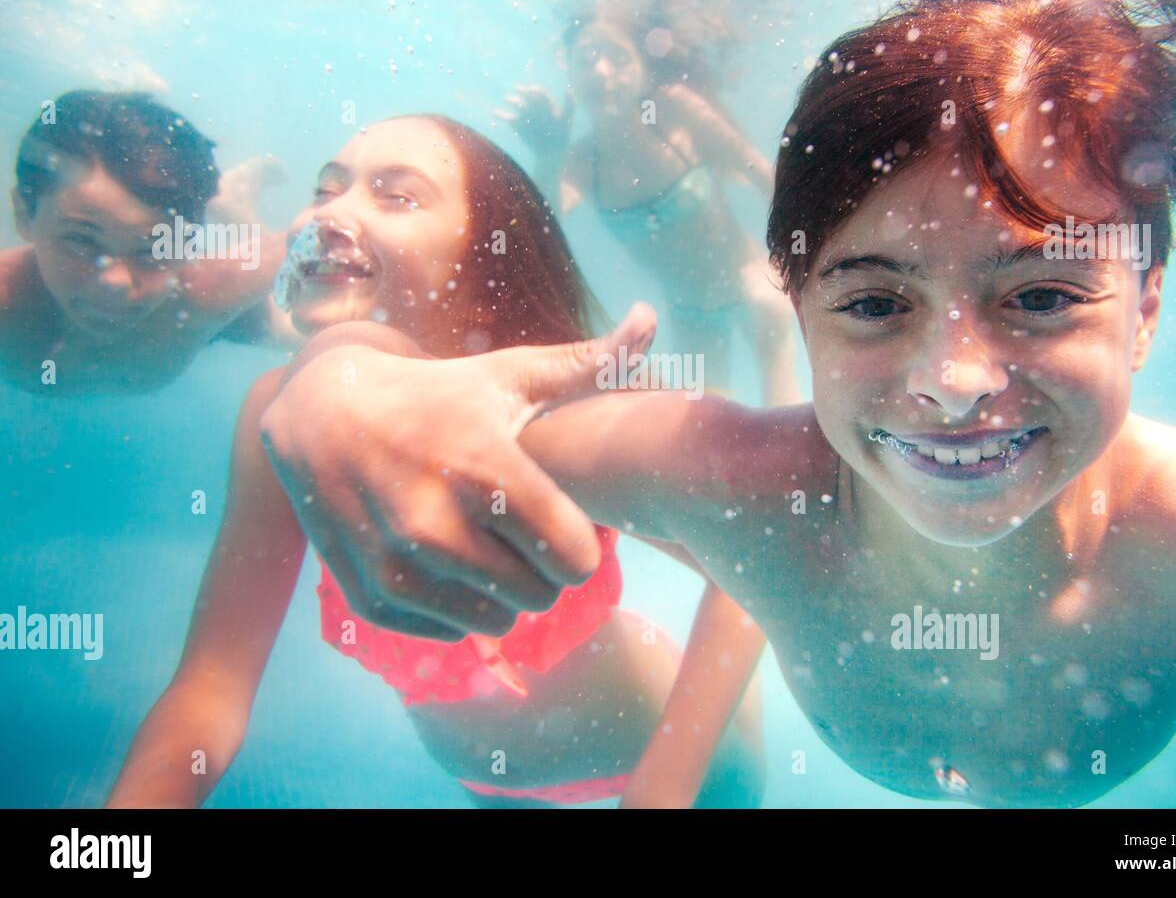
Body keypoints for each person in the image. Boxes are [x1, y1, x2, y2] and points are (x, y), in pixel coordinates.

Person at [256, 0, 1176, 807]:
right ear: (803, 309)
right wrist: (331, 371)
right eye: (876, 302)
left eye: (1039, 296)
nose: (954, 383)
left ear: (1147, 306)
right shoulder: (731, 484)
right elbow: (423, 413)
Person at [107, 114, 764, 809]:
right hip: (488, 785)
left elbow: (751, 564)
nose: (332, 213)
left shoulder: (556, 403)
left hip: (667, 758)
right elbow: (210, 689)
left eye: (396, 196)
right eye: (326, 190)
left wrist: (663, 791)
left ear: (482, 258)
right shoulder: (278, 417)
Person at [497, 0, 801, 406]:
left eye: (618, 58)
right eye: (587, 60)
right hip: (690, 314)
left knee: (784, 418)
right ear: (569, 73)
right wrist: (548, 153)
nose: (602, 72)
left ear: (644, 70)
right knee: (708, 439)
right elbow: (540, 230)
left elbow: (763, 176)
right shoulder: (581, 161)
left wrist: (791, 262)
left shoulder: (675, 112)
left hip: (753, 289)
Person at [0, 90, 287, 395]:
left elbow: (316, 239)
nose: (116, 282)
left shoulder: (208, 294)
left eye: (155, 249)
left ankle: (232, 203)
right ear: (24, 214)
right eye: (82, 240)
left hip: (194, 317)